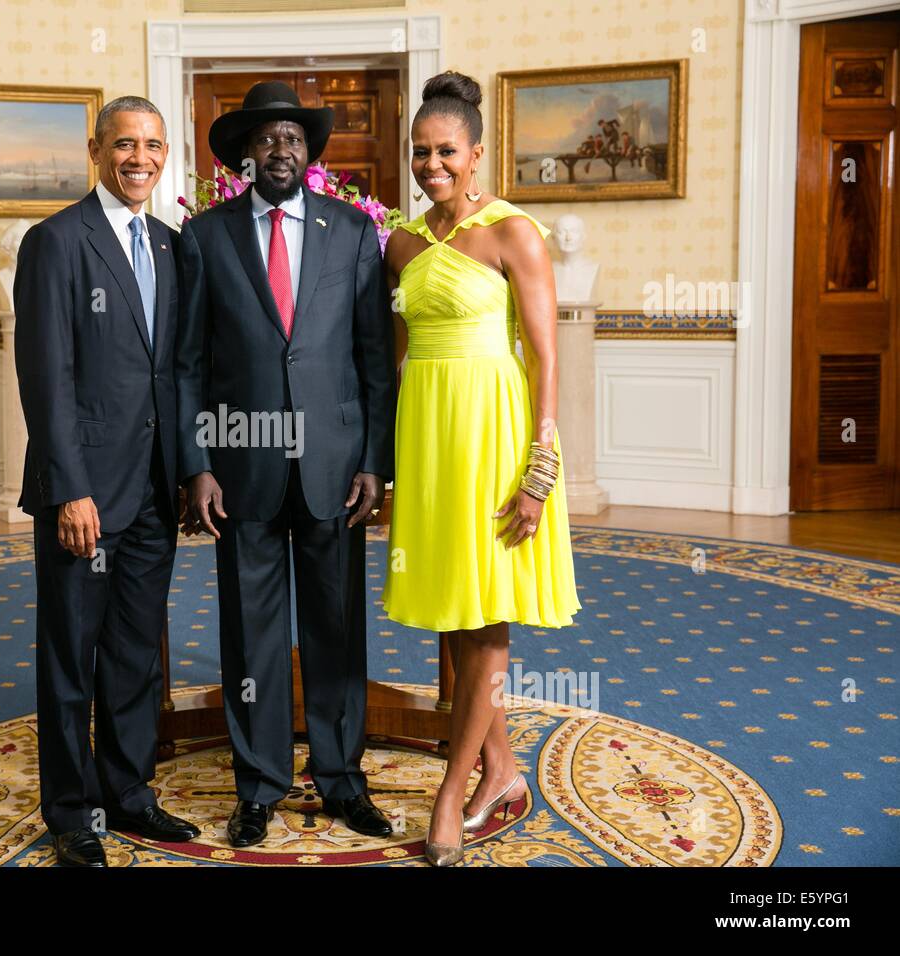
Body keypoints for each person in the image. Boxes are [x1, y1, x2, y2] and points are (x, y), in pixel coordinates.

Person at [176, 81, 398, 848]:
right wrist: (197, 464)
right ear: (246, 153)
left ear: (311, 153)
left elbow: (374, 356)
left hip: (336, 467)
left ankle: (342, 779)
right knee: (251, 634)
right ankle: (259, 784)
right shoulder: (204, 237)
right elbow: (188, 364)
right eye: (267, 139)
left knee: (337, 629)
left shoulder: (349, 232)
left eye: (294, 138)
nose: (281, 150)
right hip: (242, 469)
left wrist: (375, 458)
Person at [381, 71, 582, 867]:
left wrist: (540, 468)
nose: (433, 164)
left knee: (488, 612)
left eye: (447, 152)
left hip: (496, 434)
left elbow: (545, 354)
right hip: (429, 433)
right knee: (453, 607)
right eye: (421, 152)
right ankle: (500, 767)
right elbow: (396, 357)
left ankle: (451, 792)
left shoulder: (513, 233)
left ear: (478, 153)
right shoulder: (399, 240)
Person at [13, 95, 199, 868]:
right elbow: (46, 375)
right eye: (125, 144)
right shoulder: (56, 242)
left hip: (154, 493)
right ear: (96, 151)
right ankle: (70, 811)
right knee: (71, 657)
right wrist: (70, 489)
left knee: (134, 657)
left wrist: (190, 474)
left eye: (153, 146)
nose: (140, 159)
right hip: (84, 494)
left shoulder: (169, 243)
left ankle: (128, 792)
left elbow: (177, 371)